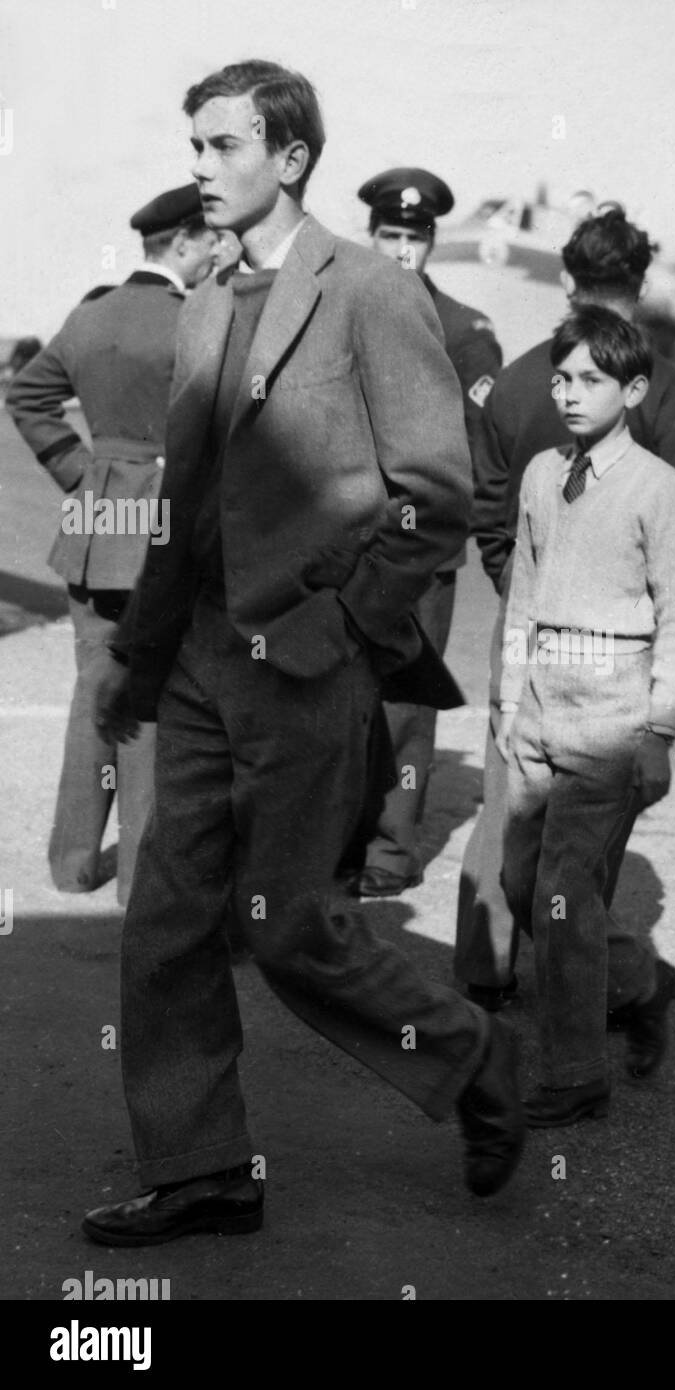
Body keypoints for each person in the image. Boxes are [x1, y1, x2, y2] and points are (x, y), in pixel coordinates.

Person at [81, 60, 523, 1248]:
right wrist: (139, 650)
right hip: (201, 663)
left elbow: (434, 496)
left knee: (289, 928)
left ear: (291, 158)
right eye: (195, 147)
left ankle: (475, 1056)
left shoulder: (372, 290)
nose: (202, 170)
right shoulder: (210, 299)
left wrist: (341, 627)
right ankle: (201, 1166)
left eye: (223, 147)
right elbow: (190, 496)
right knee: (167, 921)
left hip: (307, 663)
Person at [458, 206, 675, 1011]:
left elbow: (488, 509)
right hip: (615, 641)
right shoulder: (660, 389)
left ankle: (485, 968)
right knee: (588, 829)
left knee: (510, 800)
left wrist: (517, 583)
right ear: (639, 284)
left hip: (524, 621)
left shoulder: (517, 378)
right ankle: (598, 983)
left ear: (566, 280)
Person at [497, 305, 675, 1126]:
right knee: (521, 885)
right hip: (542, 700)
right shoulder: (543, 472)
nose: (570, 395)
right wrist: (512, 702)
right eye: (561, 379)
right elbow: (520, 593)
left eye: (590, 381)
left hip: (615, 711)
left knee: (561, 893)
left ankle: (575, 1073)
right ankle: (642, 986)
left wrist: (659, 733)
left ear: (633, 389)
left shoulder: (659, 486)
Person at [5, 185, 218, 906]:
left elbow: (27, 398)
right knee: (151, 703)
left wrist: (81, 474)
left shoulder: (89, 315)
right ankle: (140, 880)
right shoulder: (194, 322)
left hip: (99, 529)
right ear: (185, 242)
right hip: (161, 530)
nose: (221, 250)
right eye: (211, 239)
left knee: (95, 686)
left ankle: (70, 862)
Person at [338, 167, 503, 899]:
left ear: (431, 243)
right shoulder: (334, 311)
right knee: (334, 697)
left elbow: (478, 449)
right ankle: (331, 845)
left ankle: (388, 853)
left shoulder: (466, 332)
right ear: (370, 238)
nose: (402, 250)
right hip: (343, 544)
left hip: (422, 554)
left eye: (414, 237)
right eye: (389, 236)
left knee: (404, 704)